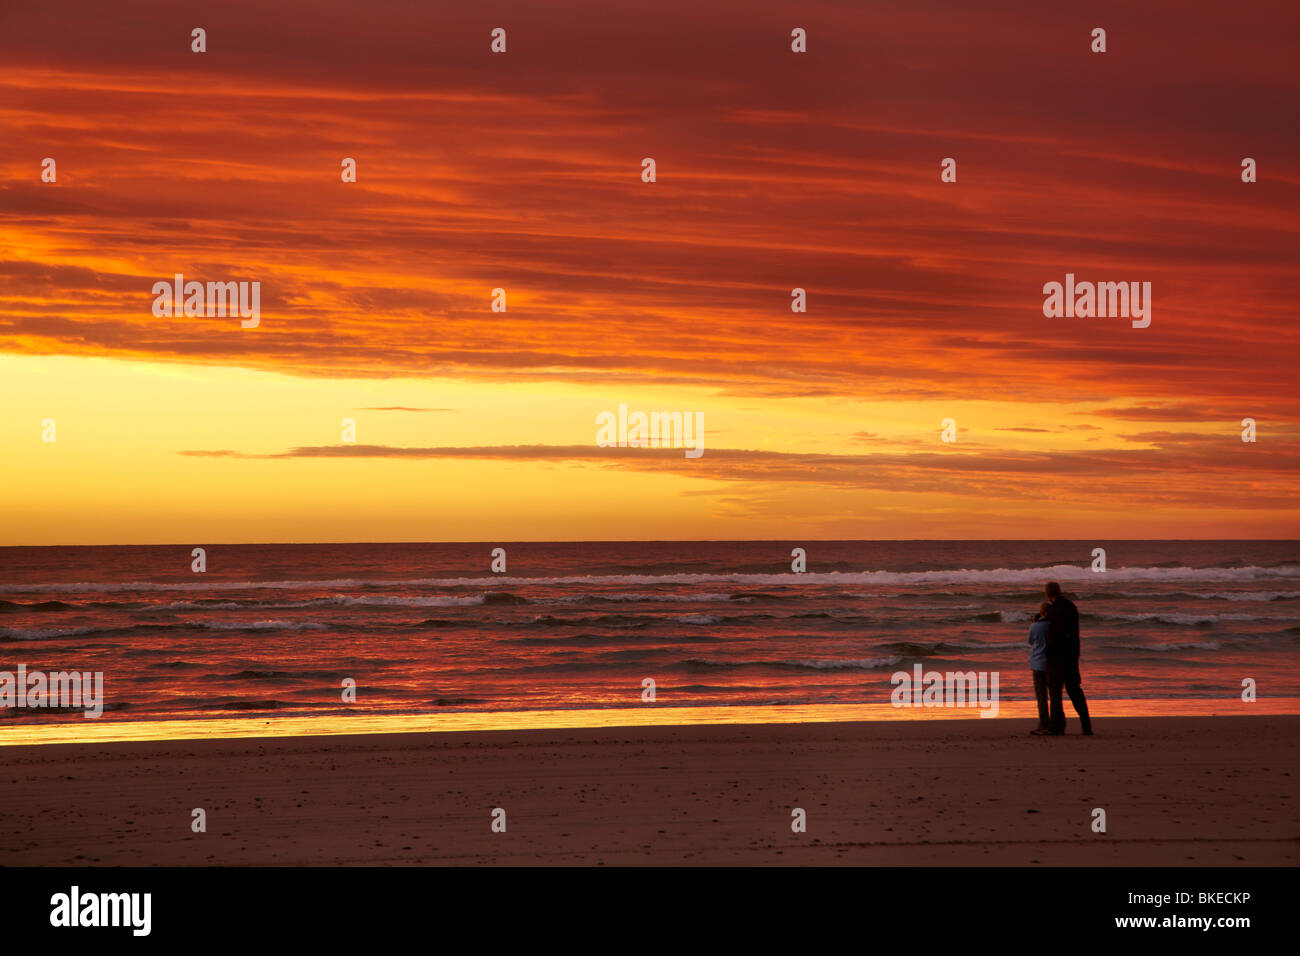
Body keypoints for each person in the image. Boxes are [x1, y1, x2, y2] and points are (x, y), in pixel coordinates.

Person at [1035, 581, 1093, 736]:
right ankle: (1086, 725)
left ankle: (1057, 726)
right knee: (1075, 691)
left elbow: (1053, 636)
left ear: (1047, 594)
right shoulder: (1070, 606)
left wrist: (1048, 655)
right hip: (1072, 655)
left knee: (1055, 692)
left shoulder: (1054, 611)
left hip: (1057, 658)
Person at [1026, 602, 1051, 733]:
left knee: (1041, 696)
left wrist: (1034, 623)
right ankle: (1055, 723)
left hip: (1038, 663)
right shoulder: (1054, 625)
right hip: (1052, 664)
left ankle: (1043, 724)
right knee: (1053, 695)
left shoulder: (1035, 626)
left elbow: (1030, 641)